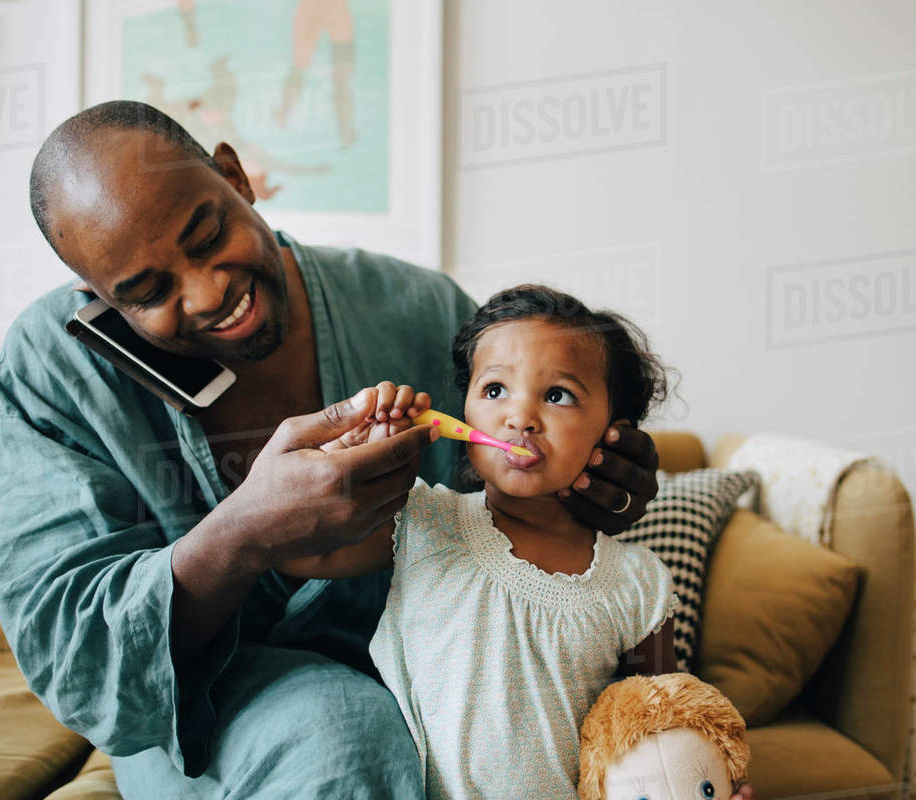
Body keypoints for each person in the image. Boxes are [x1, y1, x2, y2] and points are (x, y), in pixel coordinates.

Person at [0, 100, 662, 799]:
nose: (210, 290)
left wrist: (594, 485)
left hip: (450, 688)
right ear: (93, 296)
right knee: (342, 733)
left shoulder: (420, 310)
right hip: (210, 716)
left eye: (209, 234)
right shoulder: (51, 371)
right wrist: (244, 535)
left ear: (234, 176)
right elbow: (74, 655)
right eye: (149, 291)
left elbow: (521, 485)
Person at [279, 285, 679, 798]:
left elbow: (660, 725)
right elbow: (297, 552)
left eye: (557, 395)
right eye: (494, 391)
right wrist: (346, 457)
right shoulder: (423, 521)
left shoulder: (637, 583)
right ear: (464, 410)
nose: (520, 417)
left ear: (613, 434)